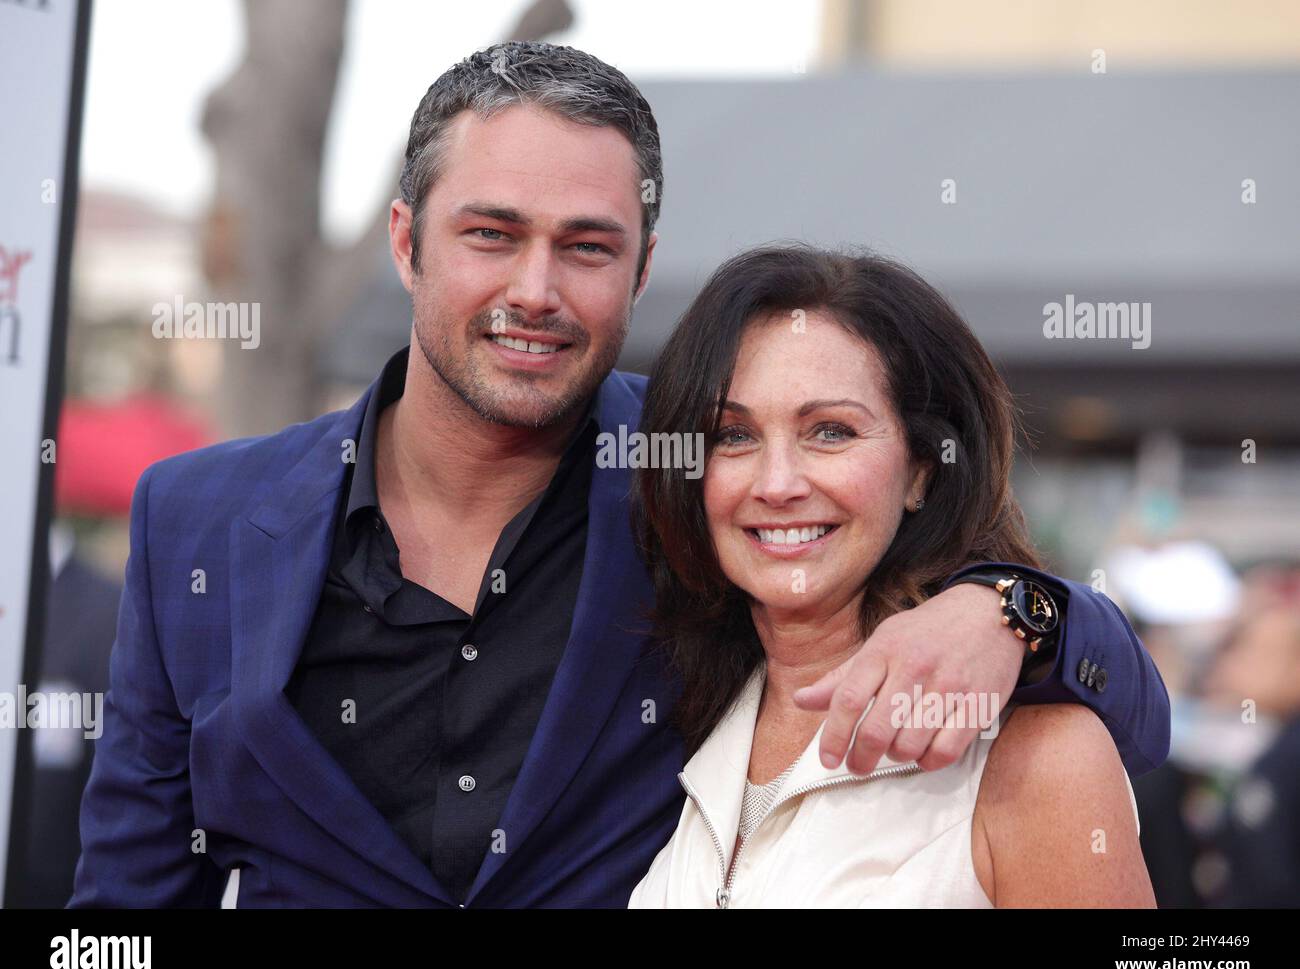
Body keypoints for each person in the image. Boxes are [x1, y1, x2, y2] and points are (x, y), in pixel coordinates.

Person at [71, 42, 1167, 909]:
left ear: (641, 268)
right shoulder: (201, 517)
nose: (536, 289)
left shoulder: (705, 474)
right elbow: (128, 893)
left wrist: (1012, 608)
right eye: (491, 234)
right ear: (407, 242)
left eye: (587, 247)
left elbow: (1133, 721)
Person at [629, 246, 1155, 907]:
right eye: (733, 436)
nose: (778, 483)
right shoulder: (680, 720)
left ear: (921, 470)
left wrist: (1013, 611)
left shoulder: (1039, 755)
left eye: (830, 431)